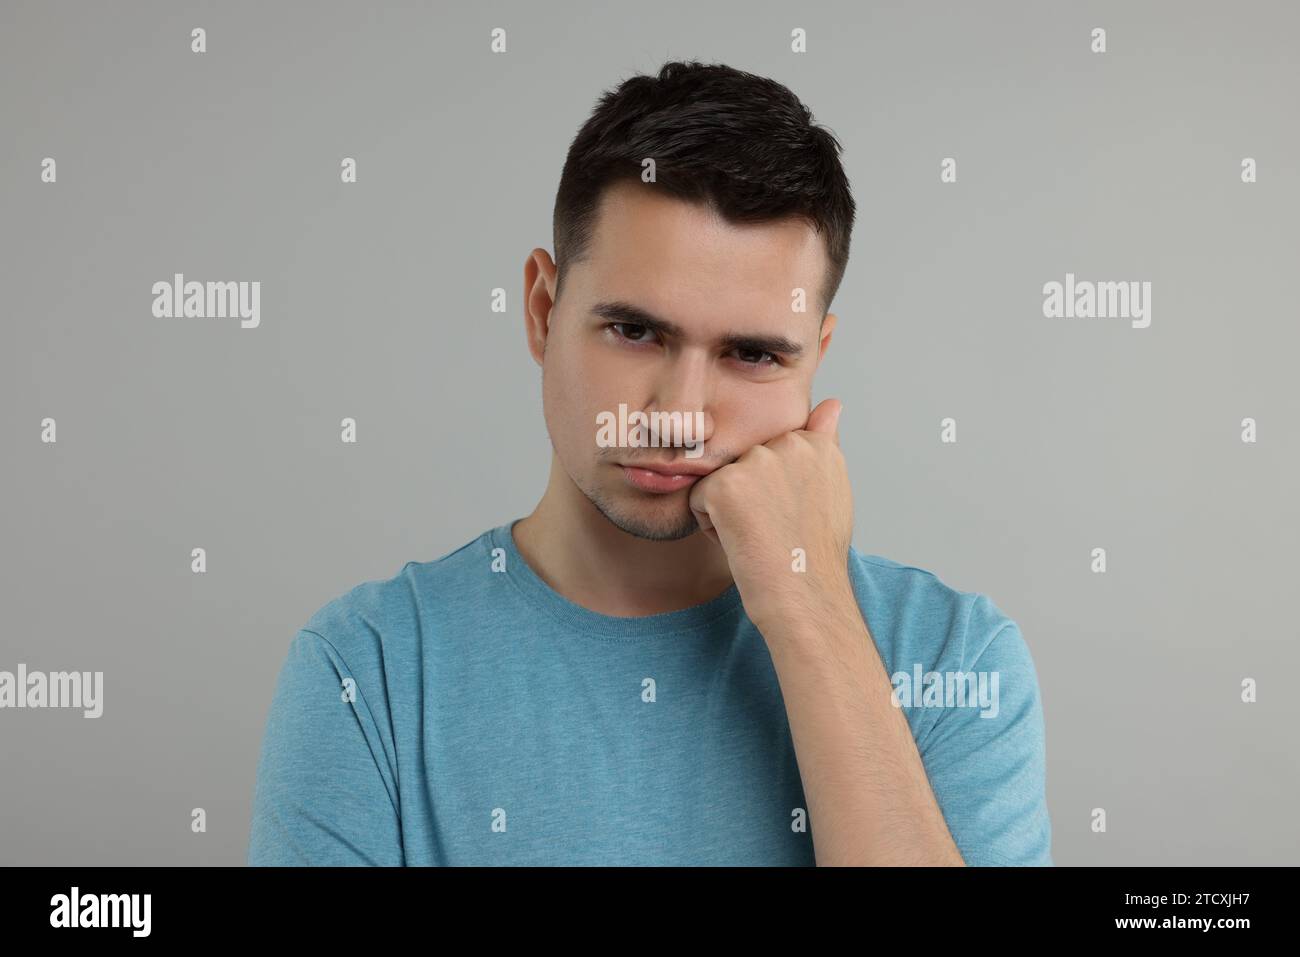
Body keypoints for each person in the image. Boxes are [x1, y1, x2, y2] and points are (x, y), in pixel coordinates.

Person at [247, 60, 1052, 866]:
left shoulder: (955, 659)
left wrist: (809, 613)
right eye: (636, 332)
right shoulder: (368, 670)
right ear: (541, 311)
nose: (676, 417)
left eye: (753, 354)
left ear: (816, 359)